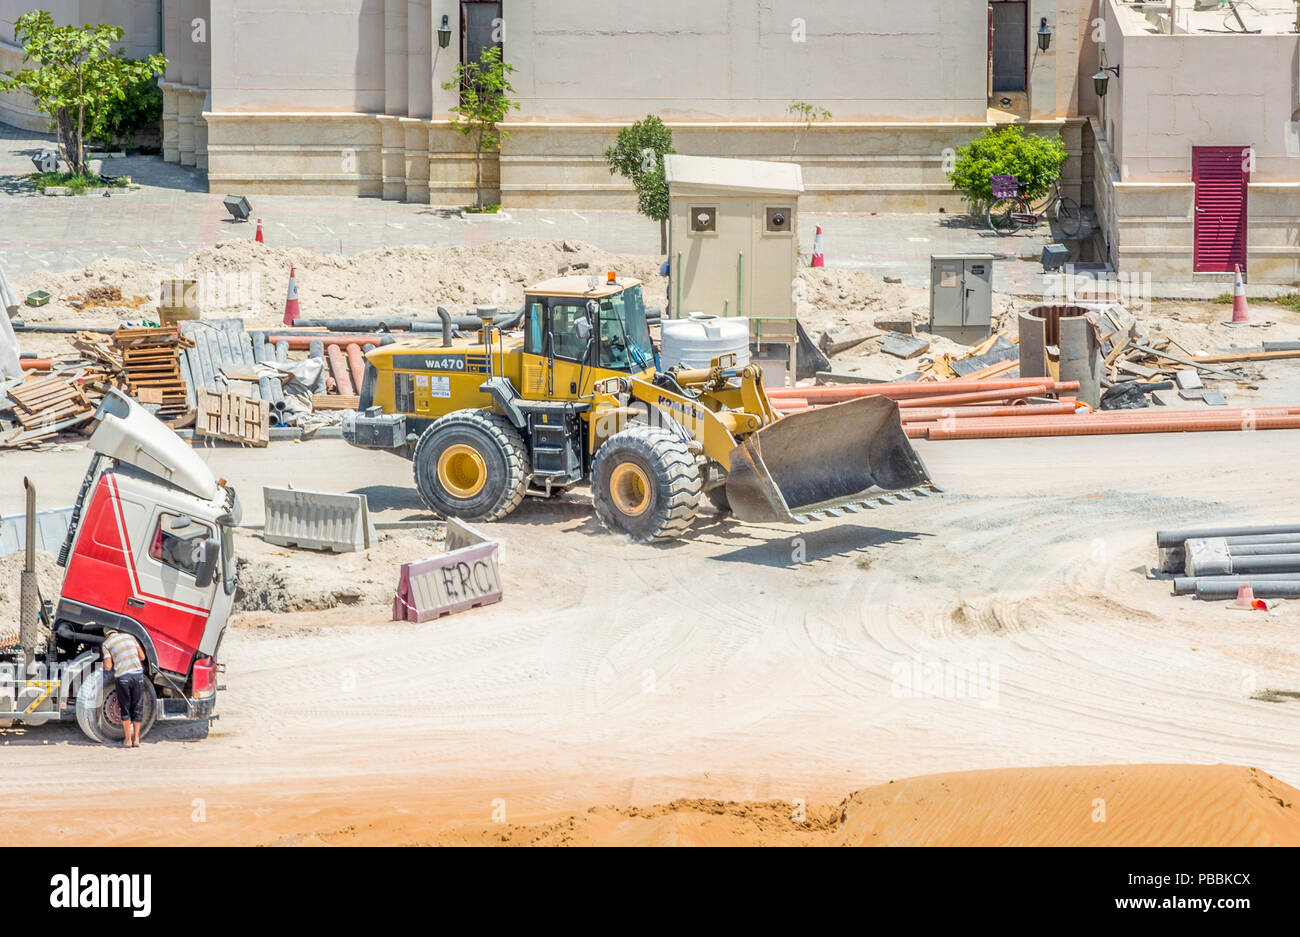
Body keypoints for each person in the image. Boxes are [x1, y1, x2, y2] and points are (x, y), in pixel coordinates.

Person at [102, 627, 147, 748]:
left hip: (123, 678)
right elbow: (142, 657)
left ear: (106, 635)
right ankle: (137, 739)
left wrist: (104, 664)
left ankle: (127, 740)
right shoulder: (130, 637)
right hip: (138, 676)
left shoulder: (106, 644)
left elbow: (108, 666)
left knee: (125, 708)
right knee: (137, 706)